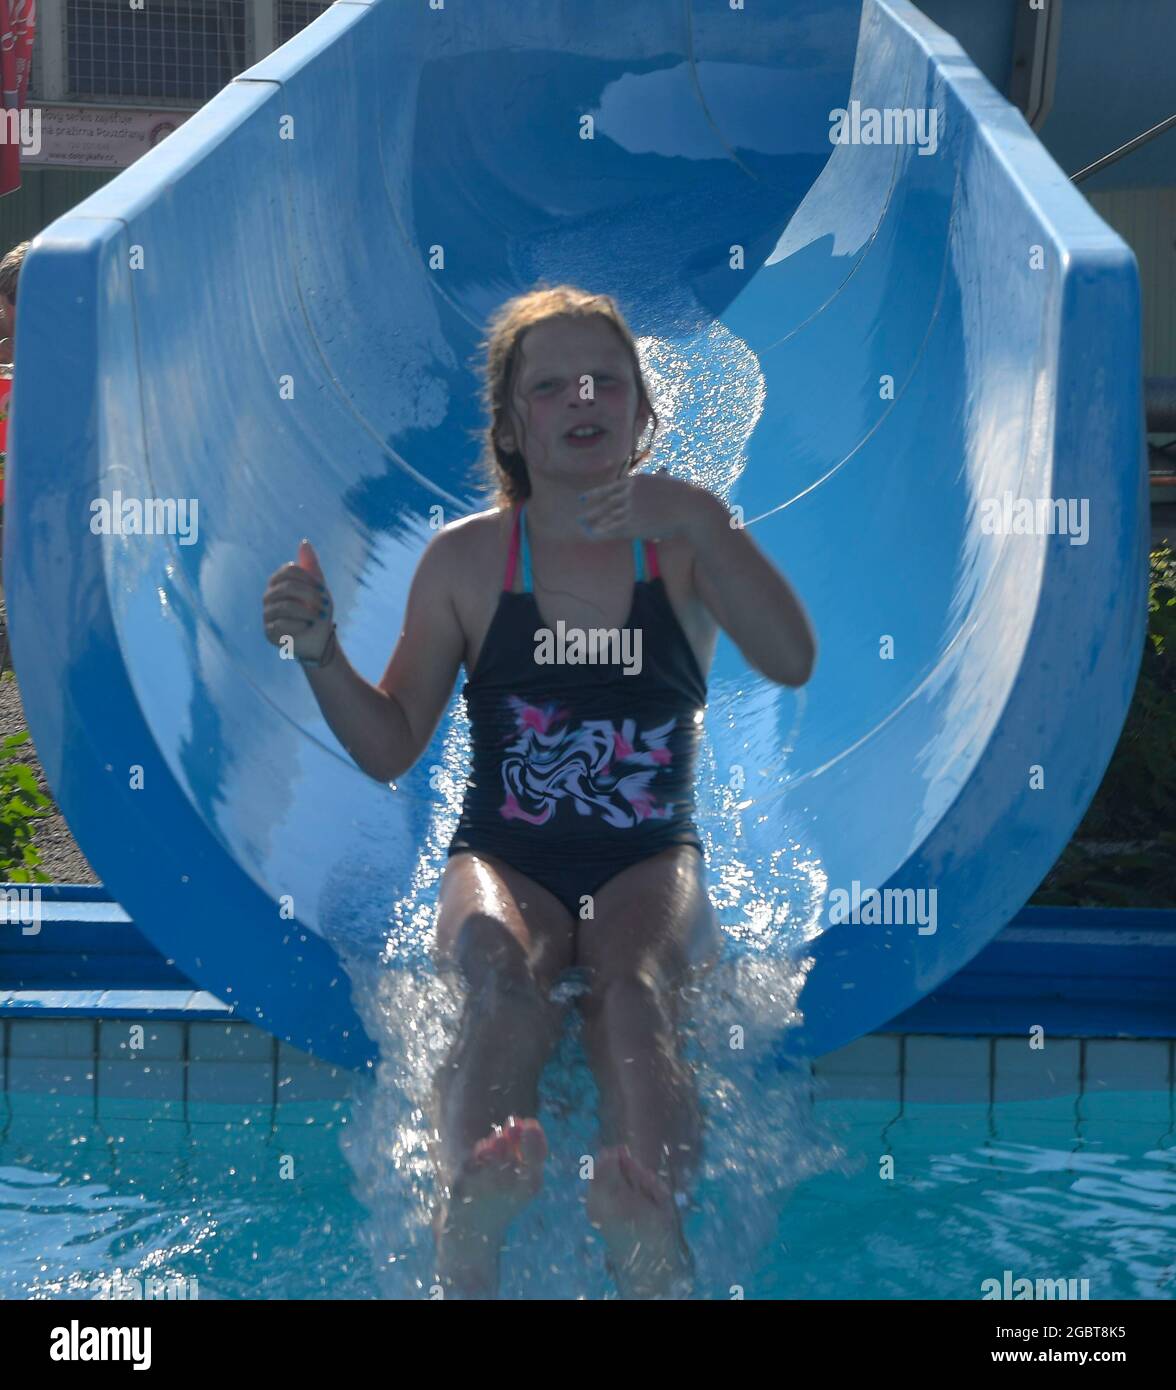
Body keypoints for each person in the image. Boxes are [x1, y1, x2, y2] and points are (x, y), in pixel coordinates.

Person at [261, 284, 817, 1298]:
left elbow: (792, 658)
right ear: (513, 426)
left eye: (606, 379)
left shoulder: (683, 540)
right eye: (551, 385)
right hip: (503, 855)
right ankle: (466, 1229)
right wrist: (318, 653)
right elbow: (391, 744)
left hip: (648, 852)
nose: (582, 397)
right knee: (500, 978)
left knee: (633, 987)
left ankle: (653, 1232)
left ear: (643, 411)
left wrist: (705, 517)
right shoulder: (467, 561)